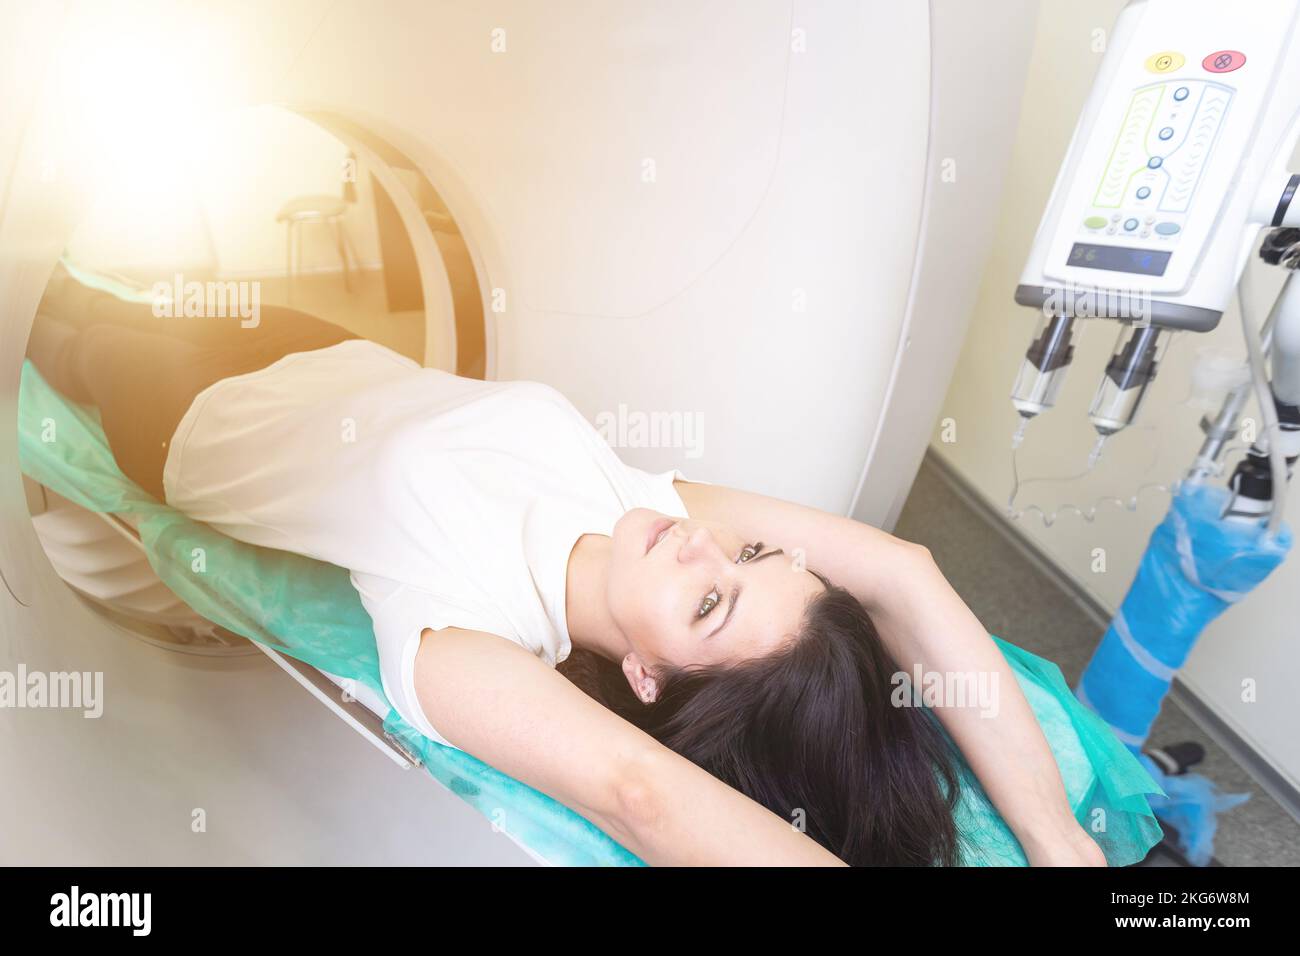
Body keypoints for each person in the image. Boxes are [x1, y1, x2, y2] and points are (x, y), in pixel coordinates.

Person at [26, 277, 1114, 867]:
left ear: (645, 675)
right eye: (748, 556)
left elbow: (640, 794)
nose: (706, 547)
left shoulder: (461, 633)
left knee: (42, 303)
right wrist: (1057, 843)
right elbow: (900, 569)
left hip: (177, 410)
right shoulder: (649, 502)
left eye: (708, 601)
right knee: (87, 263)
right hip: (314, 337)